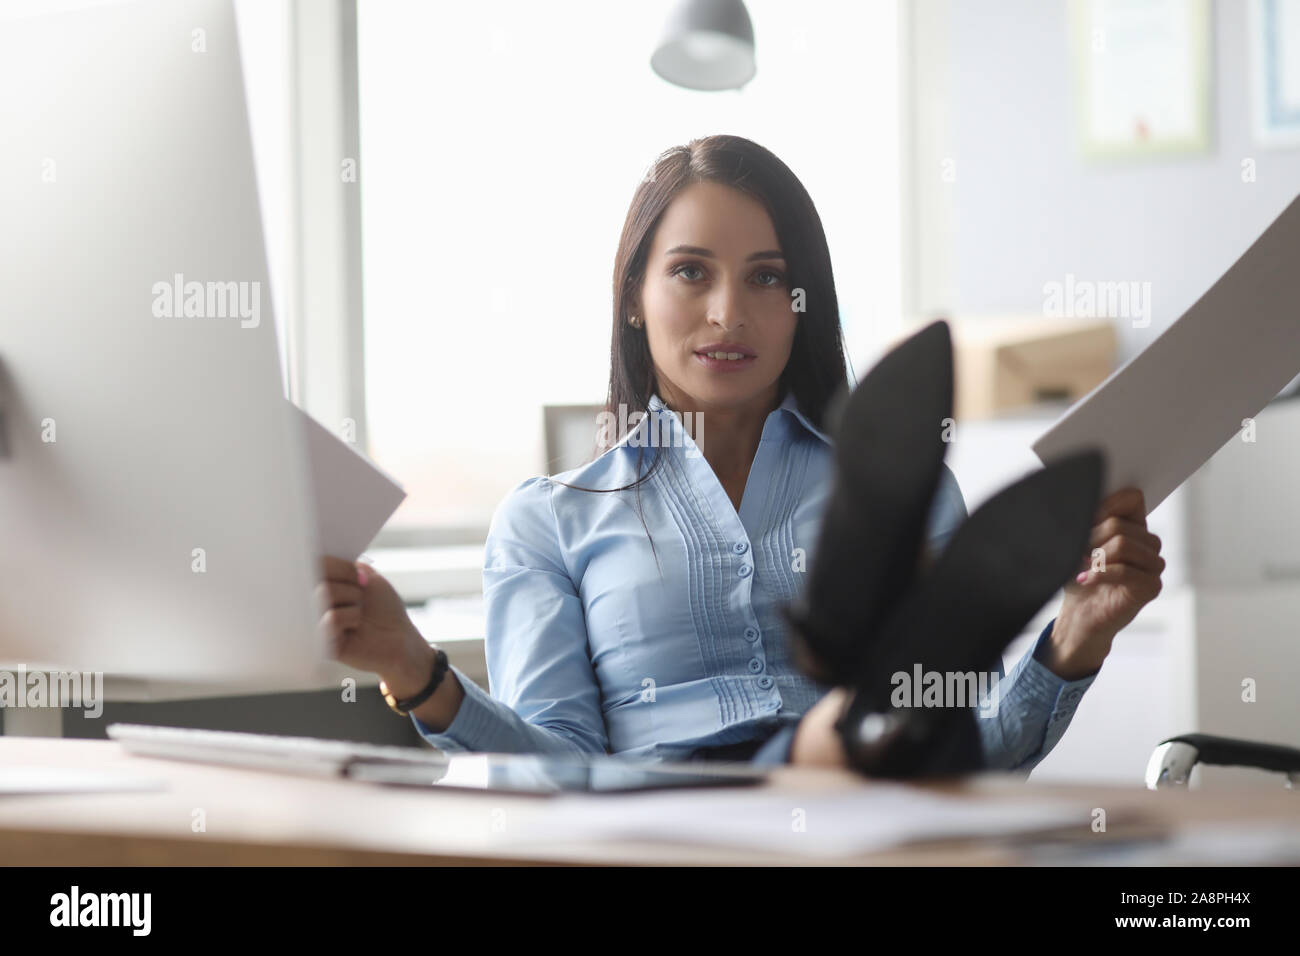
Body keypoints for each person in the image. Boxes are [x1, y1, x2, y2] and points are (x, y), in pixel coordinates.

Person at [318, 134, 1166, 772]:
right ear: (634, 300)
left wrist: (1076, 634)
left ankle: (844, 730)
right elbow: (555, 782)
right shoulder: (549, 520)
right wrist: (411, 668)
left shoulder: (903, 486)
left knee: (912, 734)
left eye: (767, 277)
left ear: (803, 305)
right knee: (873, 729)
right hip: (665, 839)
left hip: (867, 823)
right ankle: (838, 729)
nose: (730, 312)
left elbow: (978, 755)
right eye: (691, 272)